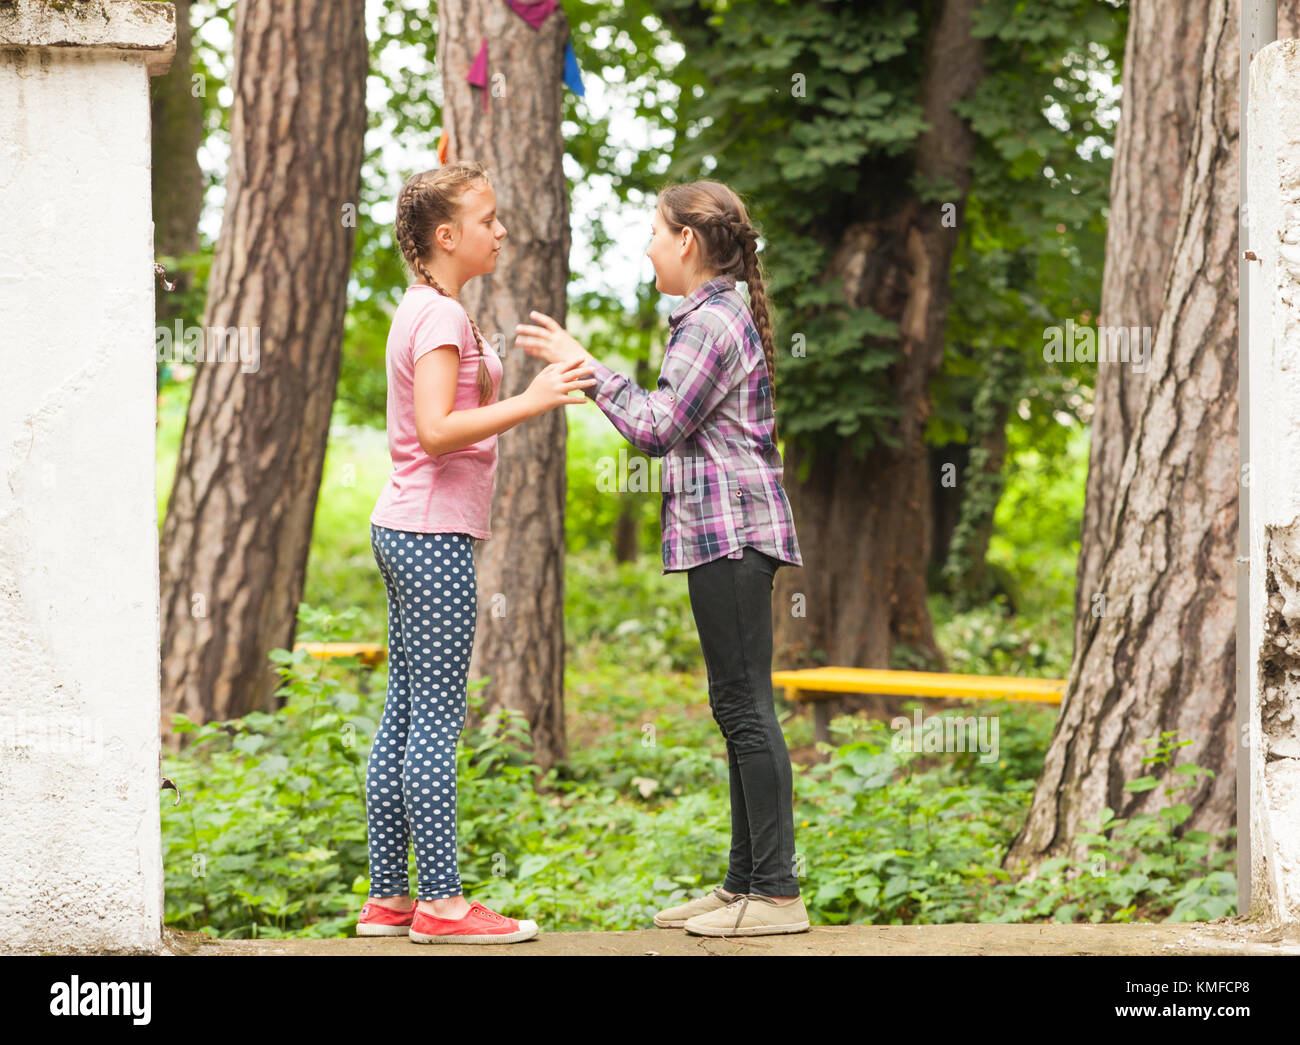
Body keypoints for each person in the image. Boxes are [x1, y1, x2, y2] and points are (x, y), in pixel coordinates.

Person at [515, 180, 809, 937]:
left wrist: (584, 365)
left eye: (653, 232)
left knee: (746, 707)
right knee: (734, 703)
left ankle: (776, 893)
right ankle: (744, 881)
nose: (645, 247)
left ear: (686, 241)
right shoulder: (709, 316)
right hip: (725, 535)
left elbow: (656, 425)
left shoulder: (712, 322)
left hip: (735, 534)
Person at [357, 160, 595, 944]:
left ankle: (389, 899)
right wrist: (530, 400)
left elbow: (442, 414)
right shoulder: (440, 319)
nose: (502, 230)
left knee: (402, 715)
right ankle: (443, 904)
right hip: (431, 534)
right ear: (447, 237)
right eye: (487, 219)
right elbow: (434, 429)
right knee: (434, 718)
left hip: (409, 527)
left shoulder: (429, 306)